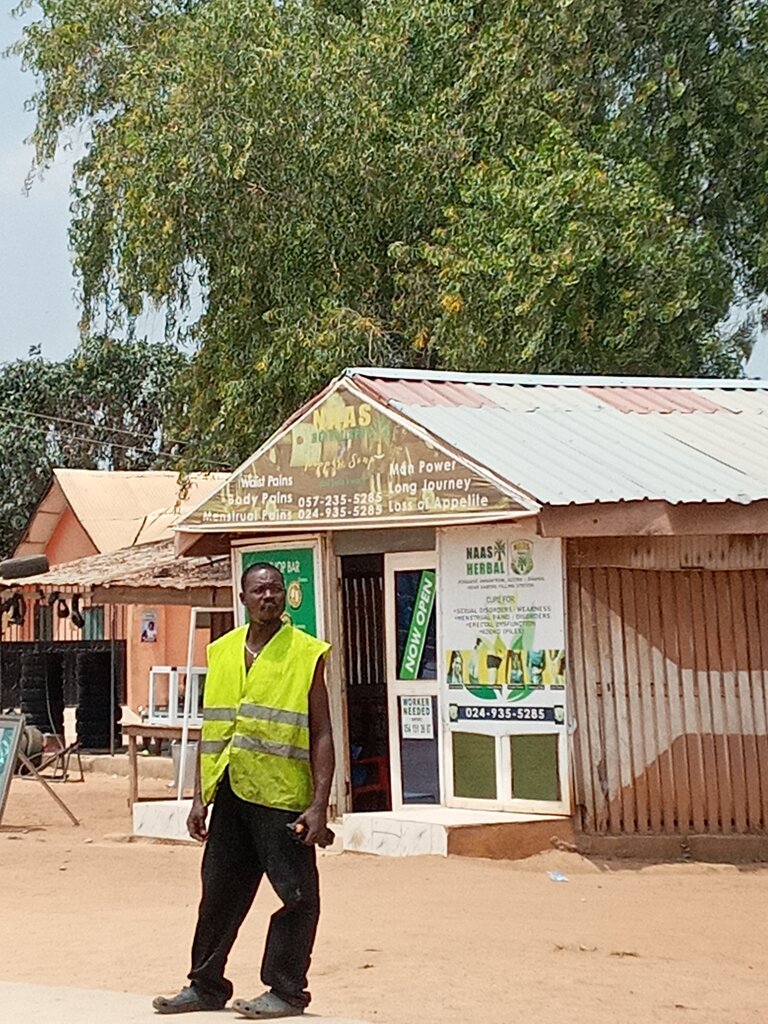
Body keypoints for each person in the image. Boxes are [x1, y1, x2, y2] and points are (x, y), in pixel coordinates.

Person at [153, 562, 335, 1019]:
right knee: (218, 895)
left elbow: (322, 733)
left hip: (280, 798)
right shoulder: (222, 652)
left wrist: (319, 805)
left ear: (285, 596)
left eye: (275, 589)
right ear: (243, 597)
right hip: (230, 794)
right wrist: (199, 796)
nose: (268, 596)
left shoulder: (305, 653)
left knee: (297, 897)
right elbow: (209, 728)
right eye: (259, 590)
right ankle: (205, 986)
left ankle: (287, 991)